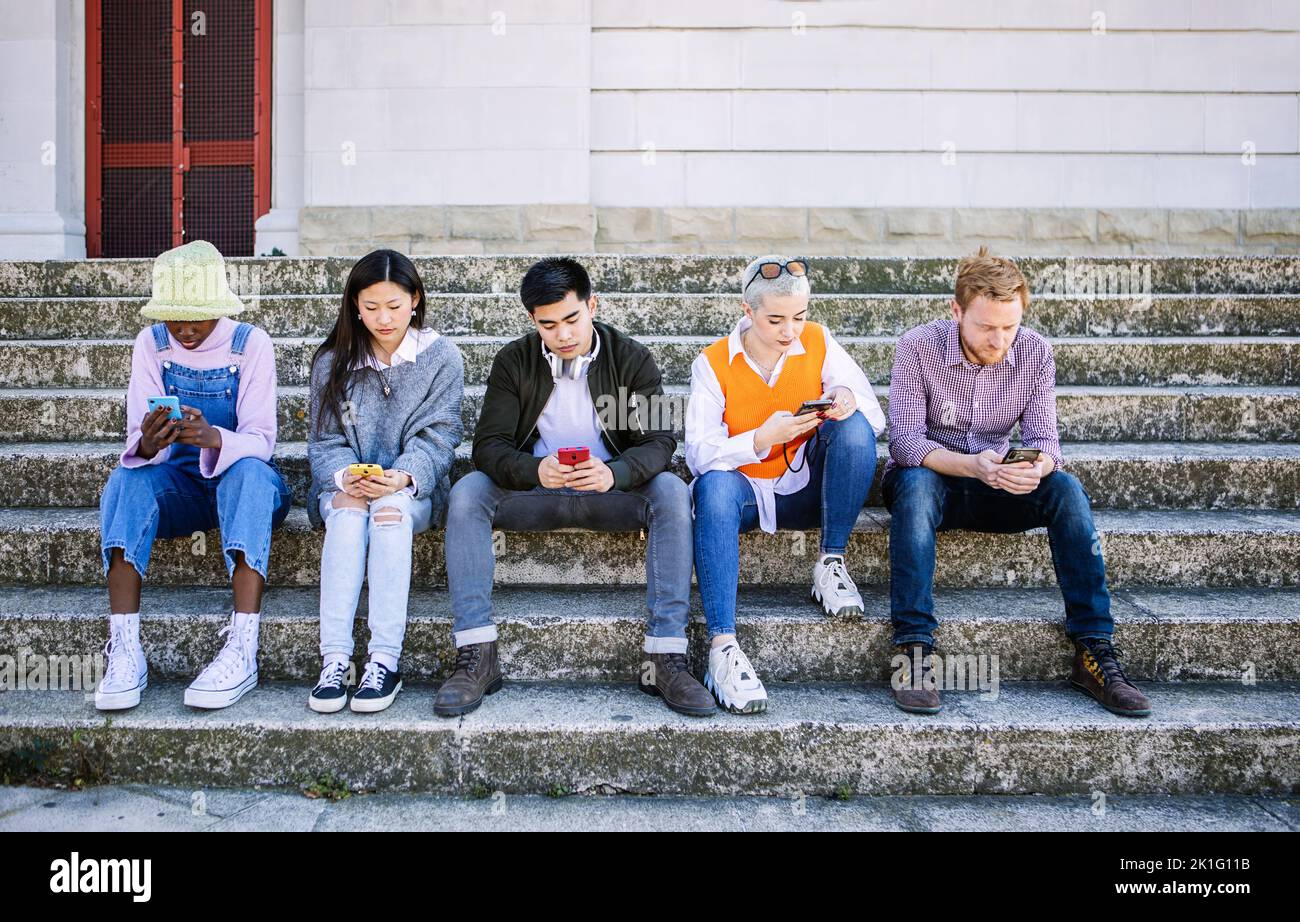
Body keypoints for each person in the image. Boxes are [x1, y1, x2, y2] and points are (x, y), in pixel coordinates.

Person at [883, 246, 1150, 717]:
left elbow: (1048, 443)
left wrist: (1033, 468)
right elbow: (905, 443)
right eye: (986, 326)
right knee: (915, 485)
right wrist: (974, 466)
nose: (999, 339)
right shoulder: (917, 346)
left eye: (1010, 326)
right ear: (957, 311)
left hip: (999, 484)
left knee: (1065, 489)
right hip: (934, 480)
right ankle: (914, 650)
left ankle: (1094, 650)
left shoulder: (1035, 352)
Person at [440, 257, 712, 717]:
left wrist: (616, 473)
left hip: (611, 494)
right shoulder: (515, 360)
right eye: (548, 325)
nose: (563, 334)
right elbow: (488, 446)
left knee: (670, 491)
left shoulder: (630, 358)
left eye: (572, 318)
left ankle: (666, 655)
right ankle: (477, 655)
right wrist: (533, 470)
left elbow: (661, 441)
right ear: (533, 321)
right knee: (467, 492)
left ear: (592, 305)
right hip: (535, 493)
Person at [97, 239, 293, 711]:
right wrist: (148, 442)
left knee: (246, 473)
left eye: (196, 320)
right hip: (178, 489)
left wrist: (213, 438)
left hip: (245, 487)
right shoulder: (152, 345)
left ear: (218, 310)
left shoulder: (250, 344)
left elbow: (262, 441)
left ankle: (242, 647)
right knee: (125, 481)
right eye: (174, 319)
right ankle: (125, 649)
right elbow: (136, 445)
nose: (184, 330)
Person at [686, 255, 886, 714]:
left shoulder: (818, 340)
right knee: (712, 487)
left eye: (798, 317)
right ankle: (722, 646)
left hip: (805, 487)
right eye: (775, 319)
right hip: (745, 493)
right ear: (747, 311)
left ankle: (830, 562)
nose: (789, 330)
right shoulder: (712, 362)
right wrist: (760, 439)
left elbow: (873, 414)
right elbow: (699, 452)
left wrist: (845, 398)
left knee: (853, 427)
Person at [306, 249, 464, 714]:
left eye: (394, 306)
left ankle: (383, 660)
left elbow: (442, 433)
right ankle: (334, 659)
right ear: (355, 305)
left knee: (389, 516)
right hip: (346, 486)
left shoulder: (441, 358)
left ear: (415, 300)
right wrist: (345, 476)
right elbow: (323, 440)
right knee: (351, 517)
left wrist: (403, 475)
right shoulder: (332, 362)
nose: (383, 318)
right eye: (371, 307)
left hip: (411, 489)